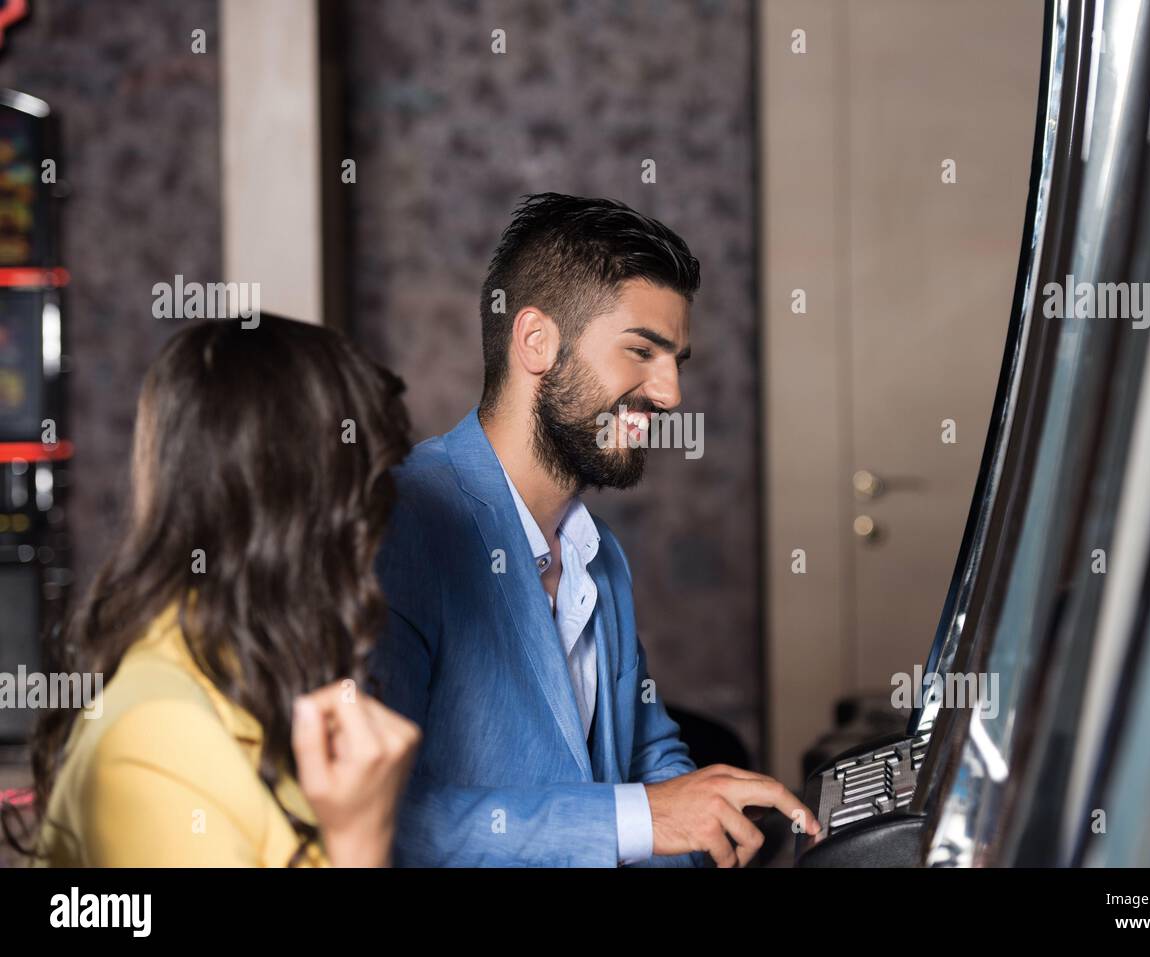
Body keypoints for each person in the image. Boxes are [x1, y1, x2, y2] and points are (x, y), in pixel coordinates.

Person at [373, 193, 817, 867]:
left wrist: (710, 816)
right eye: (642, 349)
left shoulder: (596, 550)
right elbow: (384, 819)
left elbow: (648, 751)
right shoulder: (404, 523)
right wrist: (644, 816)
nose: (670, 393)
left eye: (678, 361)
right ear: (536, 342)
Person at [3, 314, 421, 866]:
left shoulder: (243, 680)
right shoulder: (159, 740)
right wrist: (361, 841)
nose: (383, 533)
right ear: (314, 515)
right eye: (375, 498)